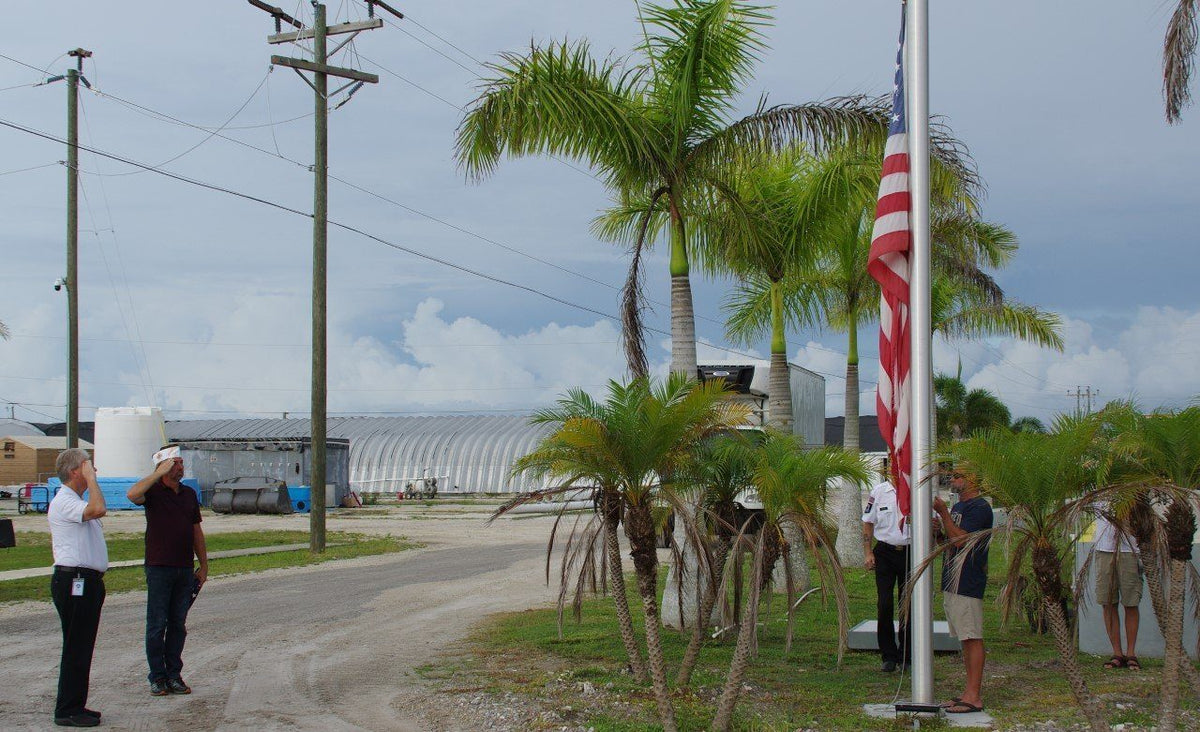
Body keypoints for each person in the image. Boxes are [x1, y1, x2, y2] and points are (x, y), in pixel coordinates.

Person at [126, 446, 208, 696]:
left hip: (184, 568)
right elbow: (132, 495)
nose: (181, 467)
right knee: (156, 625)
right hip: (159, 567)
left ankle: (174, 675)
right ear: (163, 466)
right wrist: (157, 473)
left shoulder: (188, 494)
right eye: (176, 463)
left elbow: (196, 530)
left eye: (181, 463)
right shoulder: (152, 491)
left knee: (177, 624)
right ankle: (157, 676)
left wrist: (203, 565)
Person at [48, 447, 108, 727]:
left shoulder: (76, 501)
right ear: (76, 472)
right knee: (76, 646)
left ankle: (76, 704)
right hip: (74, 581)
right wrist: (91, 480)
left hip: (87, 581)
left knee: (82, 645)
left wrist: (91, 481)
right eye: (88, 466)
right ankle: (67, 709)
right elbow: (98, 509)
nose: (93, 471)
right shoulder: (65, 500)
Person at [933, 469, 993, 715]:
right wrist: (939, 531)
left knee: (972, 635)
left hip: (968, 578)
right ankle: (968, 691)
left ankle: (974, 696)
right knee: (964, 638)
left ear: (972, 479)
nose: (953, 480)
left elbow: (961, 540)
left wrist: (944, 513)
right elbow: (949, 541)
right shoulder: (959, 507)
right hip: (952, 578)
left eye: (958, 476)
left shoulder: (980, 508)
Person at [862, 473, 911, 672]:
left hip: (910, 552)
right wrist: (868, 552)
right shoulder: (879, 491)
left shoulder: (914, 488)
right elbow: (868, 522)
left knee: (907, 605)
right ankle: (888, 655)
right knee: (884, 603)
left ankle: (906, 655)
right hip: (885, 552)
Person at [1093, 504, 1141, 670]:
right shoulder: (1096, 489)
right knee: (1108, 602)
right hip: (1104, 549)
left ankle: (1131, 653)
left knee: (1131, 602)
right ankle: (1117, 653)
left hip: (1130, 549)